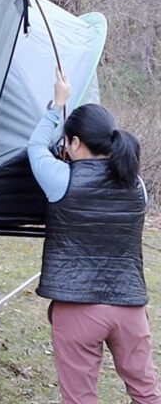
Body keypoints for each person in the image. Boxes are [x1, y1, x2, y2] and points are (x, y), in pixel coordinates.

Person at [28, 67, 161, 404]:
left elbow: (36, 144)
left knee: (80, 399)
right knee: (147, 393)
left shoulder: (60, 179)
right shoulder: (139, 186)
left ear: (75, 143)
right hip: (130, 309)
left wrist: (57, 104)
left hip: (77, 310)